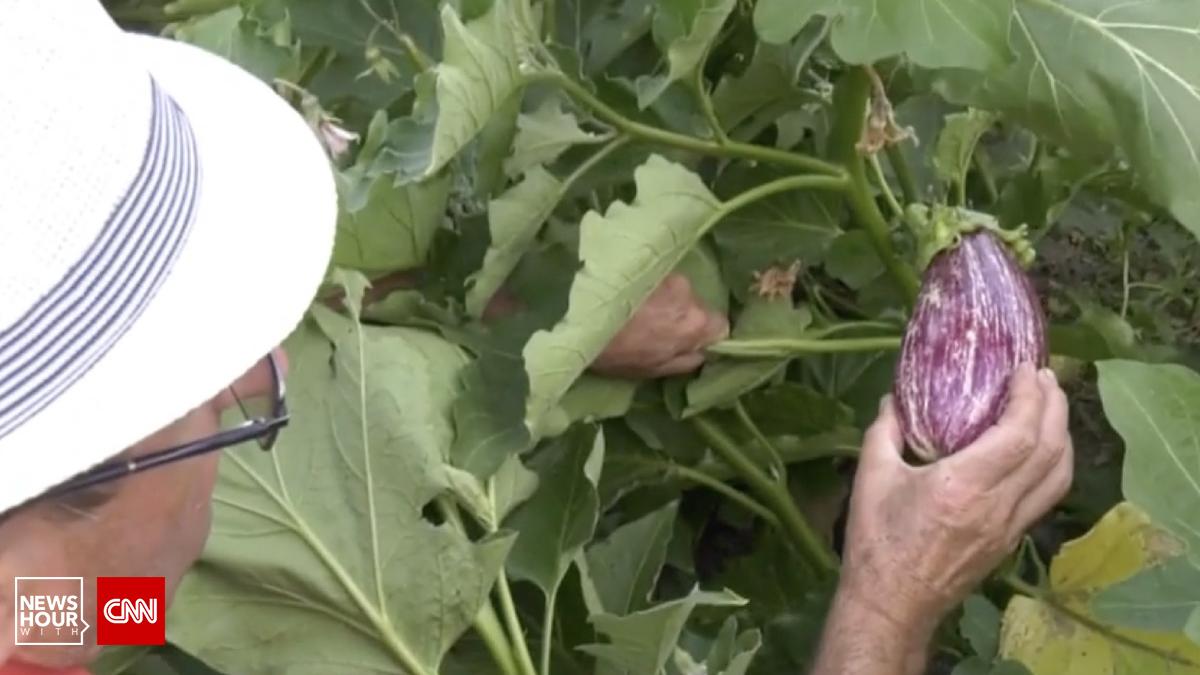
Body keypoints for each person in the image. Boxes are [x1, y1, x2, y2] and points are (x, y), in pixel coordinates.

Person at [0, 2, 1072, 674]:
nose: (274, 368)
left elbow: (92, 603)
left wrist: (534, 319)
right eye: (218, 395)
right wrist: (889, 599)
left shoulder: (56, 599)